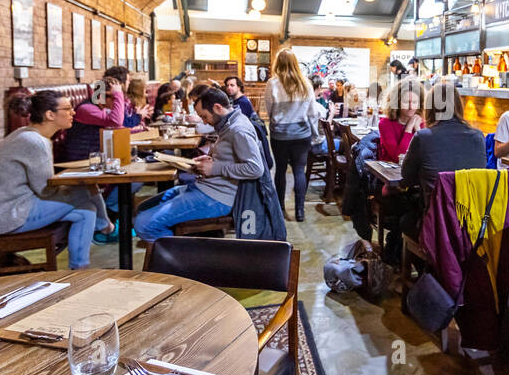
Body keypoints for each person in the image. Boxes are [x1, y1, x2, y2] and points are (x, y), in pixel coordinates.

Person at [0, 91, 111, 270]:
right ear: (50, 115)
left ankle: (80, 268)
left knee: (86, 210)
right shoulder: (35, 142)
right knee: (84, 191)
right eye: (68, 109)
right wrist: (71, 185)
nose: (73, 113)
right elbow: (45, 189)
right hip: (8, 215)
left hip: (6, 210)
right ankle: (105, 227)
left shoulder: (28, 134)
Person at [135, 88, 266, 240]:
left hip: (217, 197)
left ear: (217, 108)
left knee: (143, 224)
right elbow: (230, 158)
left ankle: (182, 259)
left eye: (204, 116)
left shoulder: (238, 130)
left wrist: (215, 167)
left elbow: (256, 168)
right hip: (205, 187)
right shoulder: (228, 124)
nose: (203, 121)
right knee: (144, 207)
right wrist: (207, 161)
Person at [400, 82, 486, 204]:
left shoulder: (423, 137)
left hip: (436, 213)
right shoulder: (478, 136)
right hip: (470, 215)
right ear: (458, 106)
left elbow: (407, 176)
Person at [265, 49, 322, 222]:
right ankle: (299, 211)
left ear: (278, 63)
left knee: (280, 170)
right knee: (299, 170)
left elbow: (269, 109)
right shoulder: (305, 83)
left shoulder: (273, 83)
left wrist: (278, 118)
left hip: (280, 134)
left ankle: (281, 208)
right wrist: (316, 135)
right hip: (301, 134)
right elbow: (313, 113)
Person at [62, 67, 131, 161]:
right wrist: (118, 95)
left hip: (95, 160)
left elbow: (119, 128)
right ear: (101, 96)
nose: (118, 103)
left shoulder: (101, 108)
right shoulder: (86, 109)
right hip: (79, 161)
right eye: (114, 98)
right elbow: (116, 121)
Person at [378, 79, 424, 162]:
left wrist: (418, 130)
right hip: (388, 172)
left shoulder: (423, 122)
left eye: (414, 102)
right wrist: (409, 128)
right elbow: (399, 157)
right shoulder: (385, 124)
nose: (411, 107)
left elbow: (428, 155)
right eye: (406, 102)